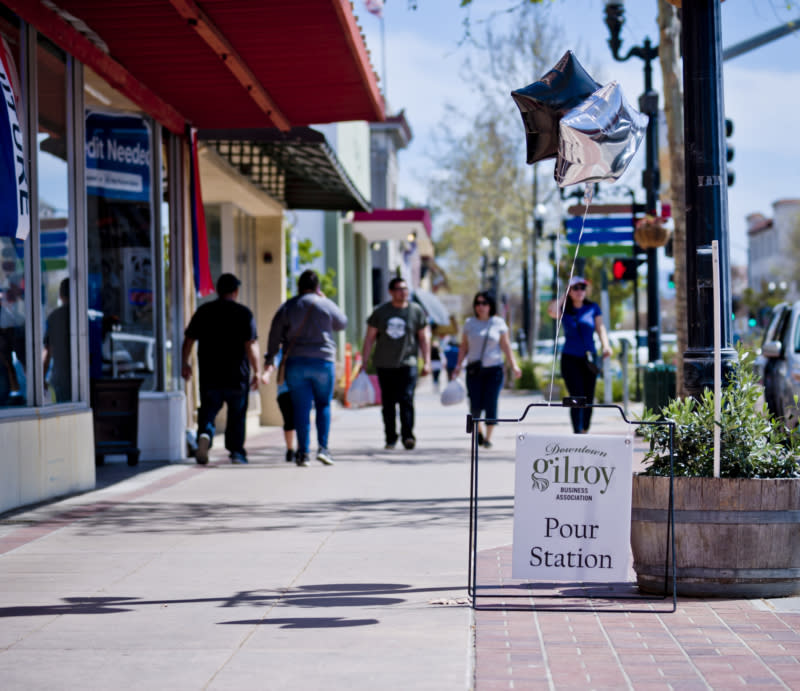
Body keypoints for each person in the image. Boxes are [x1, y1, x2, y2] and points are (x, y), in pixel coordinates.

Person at [263, 269, 347, 467]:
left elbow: (274, 334)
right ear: (317, 287)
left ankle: (302, 453)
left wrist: (270, 359)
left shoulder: (289, 306)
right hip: (323, 362)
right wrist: (325, 301)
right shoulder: (324, 304)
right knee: (323, 405)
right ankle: (324, 449)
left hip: (296, 363)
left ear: (299, 286)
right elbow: (342, 323)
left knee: (301, 408)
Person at [182, 273, 260, 464]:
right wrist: (257, 371)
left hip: (210, 374)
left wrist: (185, 363)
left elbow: (189, 339)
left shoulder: (204, 311)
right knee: (236, 415)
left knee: (208, 410)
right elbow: (251, 345)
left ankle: (206, 435)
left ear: (218, 290)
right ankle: (236, 452)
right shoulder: (243, 313)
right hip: (237, 376)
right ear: (235, 291)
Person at [362, 276, 431, 450]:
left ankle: (408, 436)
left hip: (408, 363)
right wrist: (364, 362)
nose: (403, 292)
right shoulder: (380, 312)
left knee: (407, 399)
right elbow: (370, 338)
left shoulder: (416, 311)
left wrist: (427, 361)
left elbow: (424, 338)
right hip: (385, 364)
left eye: (405, 289)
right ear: (391, 292)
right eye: (399, 289)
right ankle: (390, 437)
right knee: (388, 403)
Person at [453, 291, 521, 448]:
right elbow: (464, 346)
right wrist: (458, 365)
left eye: (484, 303)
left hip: (494, 370)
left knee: (491, 402)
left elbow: (506, 345)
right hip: (474, 370)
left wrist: (514, 365)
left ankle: (489, 438)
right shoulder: (470, 323)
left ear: (490, 305)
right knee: (475, 404)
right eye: (478, 303)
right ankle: (479, 431)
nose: (481, 307)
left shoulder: (498, 323)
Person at [547, 276, 612, 434]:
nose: (579, 291)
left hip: (590, 358)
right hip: (570, 358)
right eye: (575, 288)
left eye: (582, 287)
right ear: (570, 291)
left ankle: (585, 429)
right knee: (576, 395)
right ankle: (577, 430)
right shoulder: (565, 310)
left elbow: (600, 328)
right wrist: (564, 294)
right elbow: (551, 311)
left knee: (589, 396)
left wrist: (606, 346)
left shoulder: (592, 307)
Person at [43, 278, 71, 402]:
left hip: (60, 379)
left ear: (60, 295)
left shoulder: (53, 317)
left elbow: (48, 352)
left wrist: (41, 378)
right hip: (84, 380)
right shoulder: (86, 317)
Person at [274, 348, 296, 462]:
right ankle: (294, 449)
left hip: (283, 391)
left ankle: (290, 449)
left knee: (289, 422)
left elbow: (273, 363)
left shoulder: (280, 352)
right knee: (295, 421)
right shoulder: (301, 349)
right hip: (291, 391)